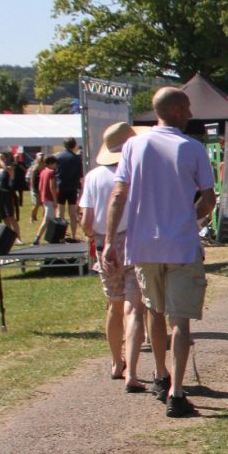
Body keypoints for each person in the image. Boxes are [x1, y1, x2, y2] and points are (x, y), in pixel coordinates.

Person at [105, 87, 216, 418]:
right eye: (189, 108)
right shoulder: (193, 148)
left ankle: (160, 374)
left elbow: (117, 195)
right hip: (181, 245)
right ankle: (177, 392)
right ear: (179, 110)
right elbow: (209, 200)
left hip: (144, 245)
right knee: (180, 320)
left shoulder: (133, 146)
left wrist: (110, 240)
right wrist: (188, 219)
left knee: (154, 312)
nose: (193, 114)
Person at [80, 123, 149, 391]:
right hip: (133, 240)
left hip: (103, 243)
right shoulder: (135, 174)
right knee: (134, 306)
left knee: (114, 304)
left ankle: (115, 361)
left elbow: (86, 222)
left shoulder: (94, 177)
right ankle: (132, 370)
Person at [54, 137, 84, 240]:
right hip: (72, 187)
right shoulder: (76, 158)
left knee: (60, 212)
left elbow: (55, 172)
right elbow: (80, 174)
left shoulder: (58, 157)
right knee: (72, 213)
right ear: (74, 145)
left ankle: (60, 234)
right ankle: (74, 235)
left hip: (61, 186)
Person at [0, 151, 20, 242]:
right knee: (4, 217)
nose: (0, 160)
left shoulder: (10, 167)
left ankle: (18, 238)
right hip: (0, 194)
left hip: (8, 194)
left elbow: (6, 168)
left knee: (11, 216)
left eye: (2, 158)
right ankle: (8, 237)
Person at [36, 155, 59, 238]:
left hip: (44, 198)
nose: (56, 166)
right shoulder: (51, 172)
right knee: (47, 219)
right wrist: (55, 199)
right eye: (55, 164)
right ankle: (37, 237)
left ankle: (53, 236)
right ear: (51, 163)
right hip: (50, 198)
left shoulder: (42, 172)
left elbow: (39, 186)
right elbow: (52, 187)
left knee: (52, 218)